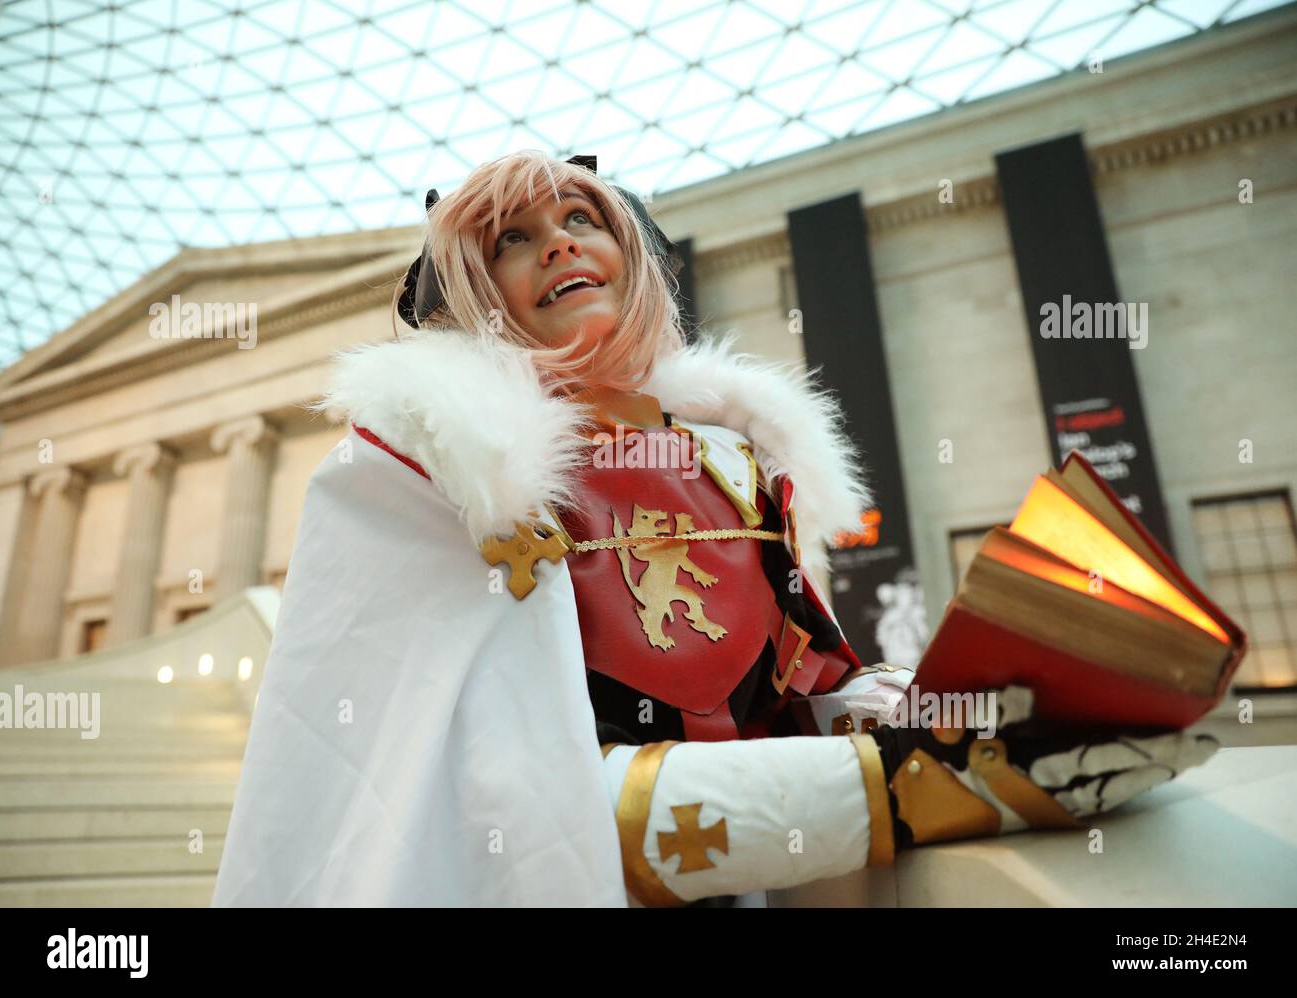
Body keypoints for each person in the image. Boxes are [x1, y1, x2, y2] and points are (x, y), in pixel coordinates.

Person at [211, 151, 1219, 907]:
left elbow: (804, 683)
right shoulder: (419, 476)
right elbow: (504, 796)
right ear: (467, 296)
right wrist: (912, 788)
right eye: (512, 239)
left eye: (580, 218)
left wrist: (968, 713)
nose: (558, 242)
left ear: (635, 259)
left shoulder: (736, 460)